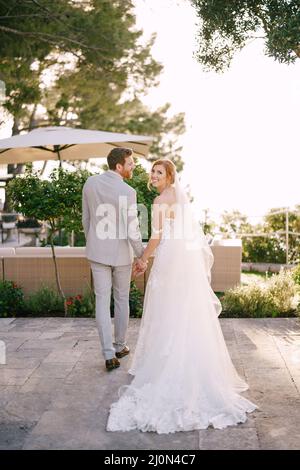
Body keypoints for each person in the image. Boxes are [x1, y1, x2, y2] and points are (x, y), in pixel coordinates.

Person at [106, 158, 257, 433]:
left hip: (169, 259)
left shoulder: (159, 201)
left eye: (158, 172)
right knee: (185, 310)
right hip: (184, 259)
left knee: (168, 311)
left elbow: (155, 237)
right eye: (152, 171)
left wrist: (142, 261)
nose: (153, 175)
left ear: (169, 176)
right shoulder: (179, 197)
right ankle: (194, 367)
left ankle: (169, 366)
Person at [82, 148, 147, 372]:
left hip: (97, 252)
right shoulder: (128, 191)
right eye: (130, 164)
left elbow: (86, 219)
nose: (133, 167)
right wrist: (141, 254)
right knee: (121, 300)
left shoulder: (90, 183)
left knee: (102, 302)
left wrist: (93, 241)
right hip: (121, 255)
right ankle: (120, 346)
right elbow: (133, 229)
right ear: (119, 166)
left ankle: (109, 355)